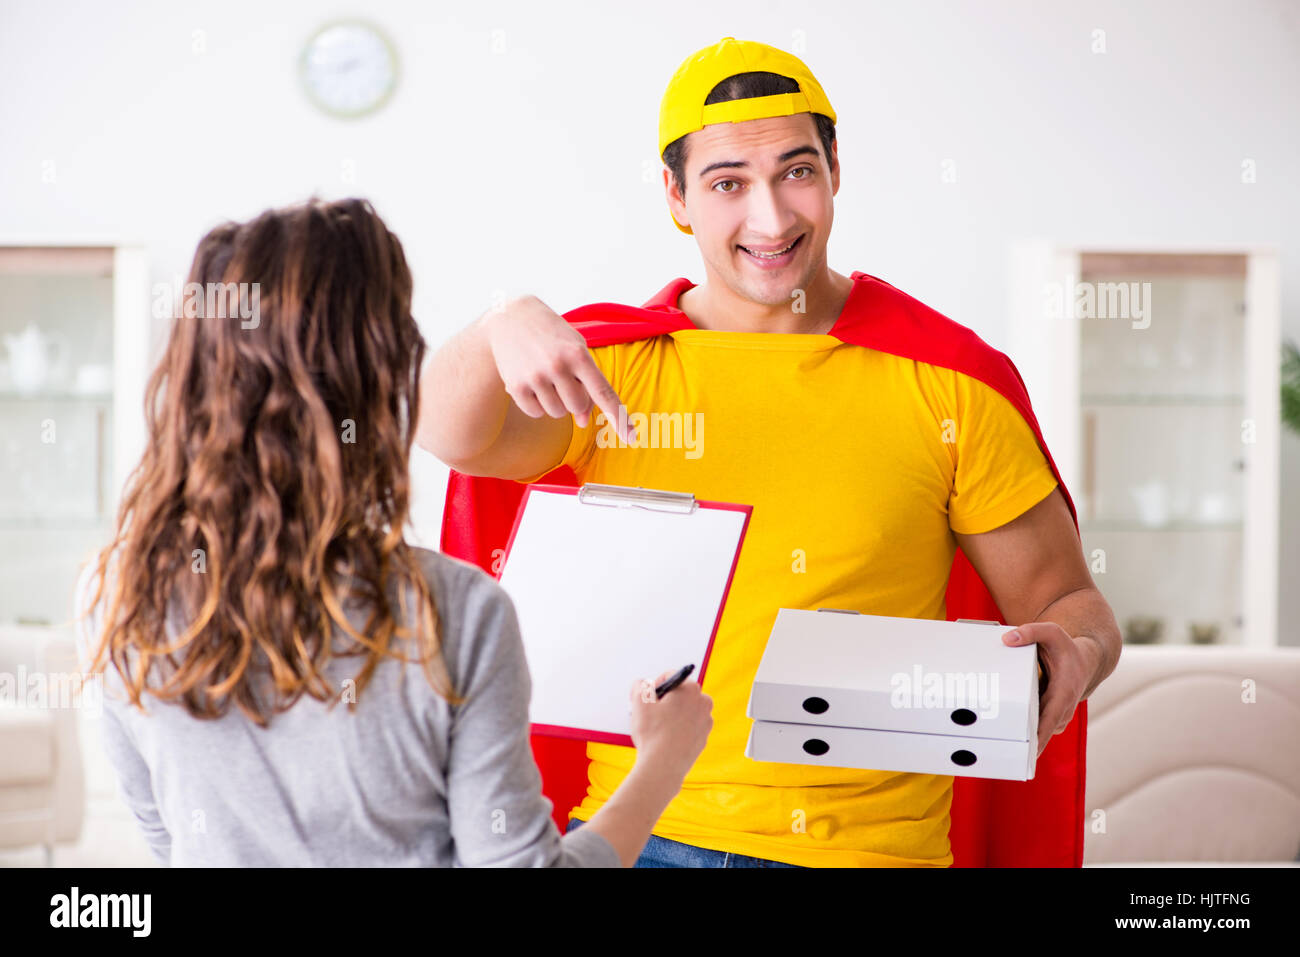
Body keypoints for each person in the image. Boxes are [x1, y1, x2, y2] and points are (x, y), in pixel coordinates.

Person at [419, 37, 1122, 867]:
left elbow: (1071, 601)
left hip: (873, 854)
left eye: (797, 171)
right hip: (638, 838)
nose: (771, 218)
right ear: (678, 198)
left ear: (834, 172)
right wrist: (502, 323)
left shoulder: (949, 384)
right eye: (728, 184)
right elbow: (445, 432)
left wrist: (1072, 652)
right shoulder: (613, 372)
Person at [74, 196, 713, 867]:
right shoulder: (454, 614)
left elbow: (171, 837)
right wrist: (661, 763)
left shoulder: (114, 592)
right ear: (384, 382)